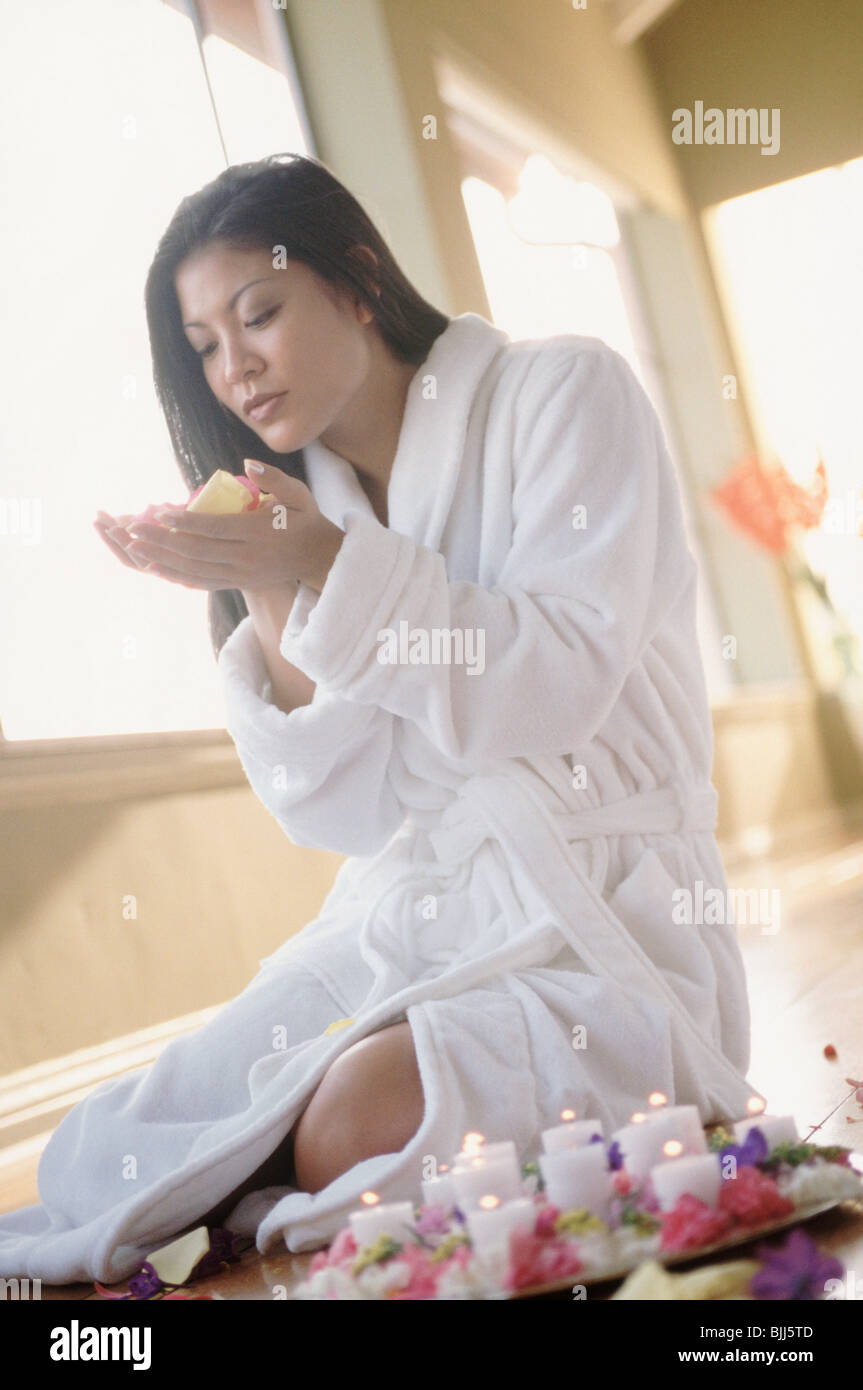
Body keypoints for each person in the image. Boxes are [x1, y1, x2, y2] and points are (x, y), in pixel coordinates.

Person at [0, 152, 760, 1285]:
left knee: (353, 1118)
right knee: (108, 1147)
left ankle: (298, 1164)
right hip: (417, 914)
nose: (233, 366)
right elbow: (343, 813)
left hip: (609, 926)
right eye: (203, 344)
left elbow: (555, 680)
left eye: (258, 314)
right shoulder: (301, 507)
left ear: (357, 280)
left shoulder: (563, 392)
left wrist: (325, 560)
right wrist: (270, 584)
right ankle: (281, 1169)